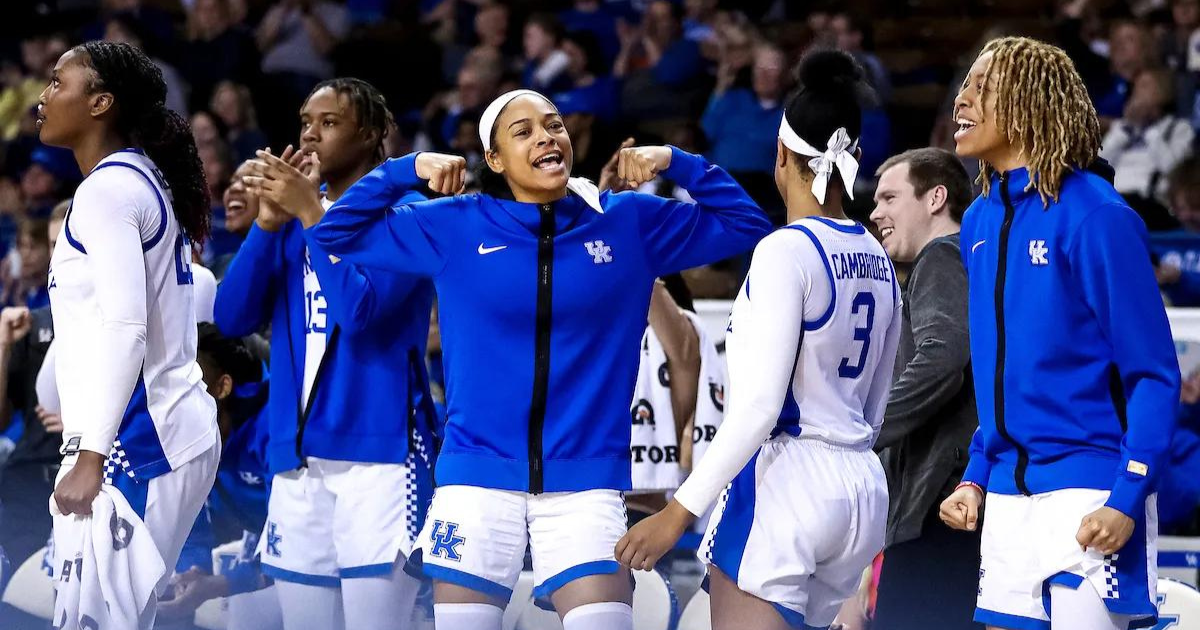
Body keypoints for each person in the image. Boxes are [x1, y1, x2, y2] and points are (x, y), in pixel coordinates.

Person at [311, 88, 770, 630]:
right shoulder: (455, 224)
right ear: (494, 159)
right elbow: (334, 230)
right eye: (523, 131)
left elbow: (748, 224)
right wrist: (405, 169)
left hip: (586, 484)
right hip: (475, 480)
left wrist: (674, 161)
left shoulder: (627, 222)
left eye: (554, 125)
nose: (546, 138)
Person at [615, 49, 900, 630]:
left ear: (782, 156)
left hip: (788, 480)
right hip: (861, 485)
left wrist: (677, 512)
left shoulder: (785, 250)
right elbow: (878, 402)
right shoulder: (878, 254)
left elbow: (760, 408)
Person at [940, 37, 1181, 630]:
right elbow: (1001, 375)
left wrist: (1127, 495)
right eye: (964, 85)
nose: (961, 100)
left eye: (980, 87)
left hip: (1090, 488)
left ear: (1026, 103)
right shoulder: (978, 220)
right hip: (1005, 497)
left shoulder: (1096, 215)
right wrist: (976, 475)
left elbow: (1152, 374)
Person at [217, 77, 436, 630]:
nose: (311, 135)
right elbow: (231, 318)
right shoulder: (290, 221)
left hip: (381, 458)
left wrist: (312, 213)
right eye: (305, 123)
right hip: (298, 461)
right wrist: (267, 225)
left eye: (330, 122)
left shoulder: (408, 214)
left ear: (370, 134)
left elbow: (358, 314)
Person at [37, 40, 220, 626]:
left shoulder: (108, 189)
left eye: (58, 82)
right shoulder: (137, 179)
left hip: (136, 442)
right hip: (149, 431)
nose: (43, 96)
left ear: (101, 103)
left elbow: (125, 328)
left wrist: (91, 456)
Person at [866, 148, 980, 630]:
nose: (876, 212)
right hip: (953, 499)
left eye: (889, 198)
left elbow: (943, 358)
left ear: (935, 198)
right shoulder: (966, 257)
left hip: (938, 503)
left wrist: (865, 430)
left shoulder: (942, 255)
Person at [156, 322, 279, 630]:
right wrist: (193, 574)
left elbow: (299, 544)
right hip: (257, 548)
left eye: (187, 387)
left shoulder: (273, 428)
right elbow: (190, 530)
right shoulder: (176, 438)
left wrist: (222, 584)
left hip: (318, 554)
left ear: (222, 386)